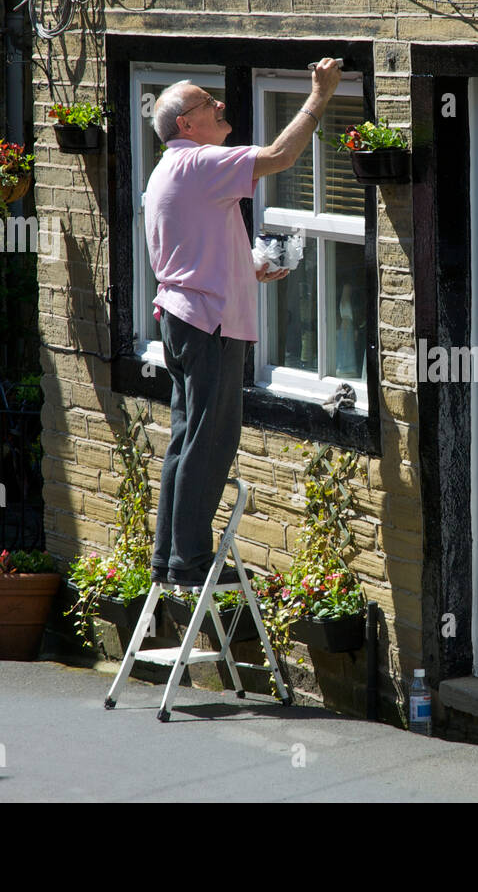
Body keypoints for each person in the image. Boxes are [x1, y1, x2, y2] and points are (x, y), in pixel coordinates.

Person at [145, 59, 343, 587]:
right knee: (212, 439)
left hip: (186, 320)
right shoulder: (198, 162)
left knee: (188, 437)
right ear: (186, 124)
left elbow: (195, 251)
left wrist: (249, 267)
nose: (220, 106)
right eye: (209, 104)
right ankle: (189, 562)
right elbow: (280, 155)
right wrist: (319, 97)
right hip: (209, 326)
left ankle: (168, 557)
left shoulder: (170, 170)